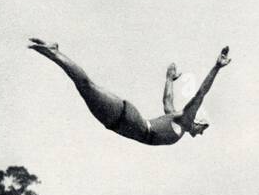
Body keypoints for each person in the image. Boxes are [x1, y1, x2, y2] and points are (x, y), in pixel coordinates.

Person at [28, 38, 231, 146]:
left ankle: (56, 54)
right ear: (197, 120)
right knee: (86, 86)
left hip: (119, 124)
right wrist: (217, 67)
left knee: (85, 88)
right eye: (203, 128)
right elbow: (200, 94)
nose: (200, 133)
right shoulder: (185, 120)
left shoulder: (176, 119)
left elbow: (167, 101)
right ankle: (55, 53)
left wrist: (169, 78)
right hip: (129, 120)